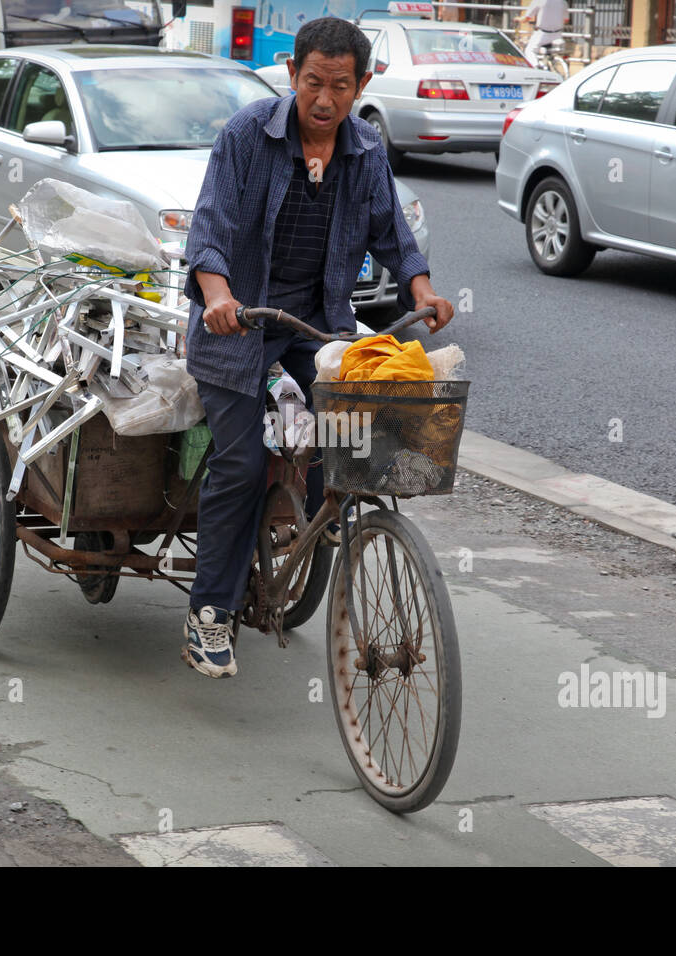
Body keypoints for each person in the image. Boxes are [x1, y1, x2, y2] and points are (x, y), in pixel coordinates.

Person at [180, 16, 455, 679]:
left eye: (340, 85)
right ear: (292, 75)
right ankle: (208, 614)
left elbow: (392, 232)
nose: (325, 100)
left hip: (315, 328)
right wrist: (217, 297)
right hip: (237, 329)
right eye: (312, 83)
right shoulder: (248, 135)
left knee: (354, 436)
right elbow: (211, 224)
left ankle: (312, 518)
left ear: (362, 83)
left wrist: (423, 289)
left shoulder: (363, 149)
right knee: (242, 463)